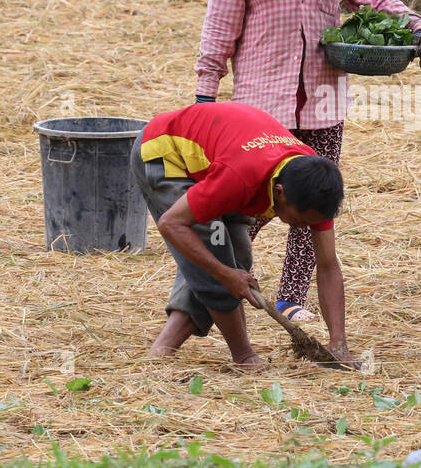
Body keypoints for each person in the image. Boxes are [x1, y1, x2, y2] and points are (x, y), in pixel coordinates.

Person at [195, 0, 421, 324]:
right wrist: (206, 91)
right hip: (262, 104)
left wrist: (416, 25)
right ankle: (210, 287)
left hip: (323, 97)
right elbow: (220, 25)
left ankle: (291, 299)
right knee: (249, 208)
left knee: (311, 204)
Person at [130, 100, 354, 368]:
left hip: (219, 162)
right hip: (165, 153)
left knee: (237, 259)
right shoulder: (241, 176)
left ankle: (160, 353)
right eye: (299, 220)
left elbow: (328, 266)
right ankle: (244, 356)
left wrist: (337, 343)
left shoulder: (315, 187)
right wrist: (224, 273)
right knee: (220, 264)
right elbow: (172, 224)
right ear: (279, 193)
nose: (304, 228)